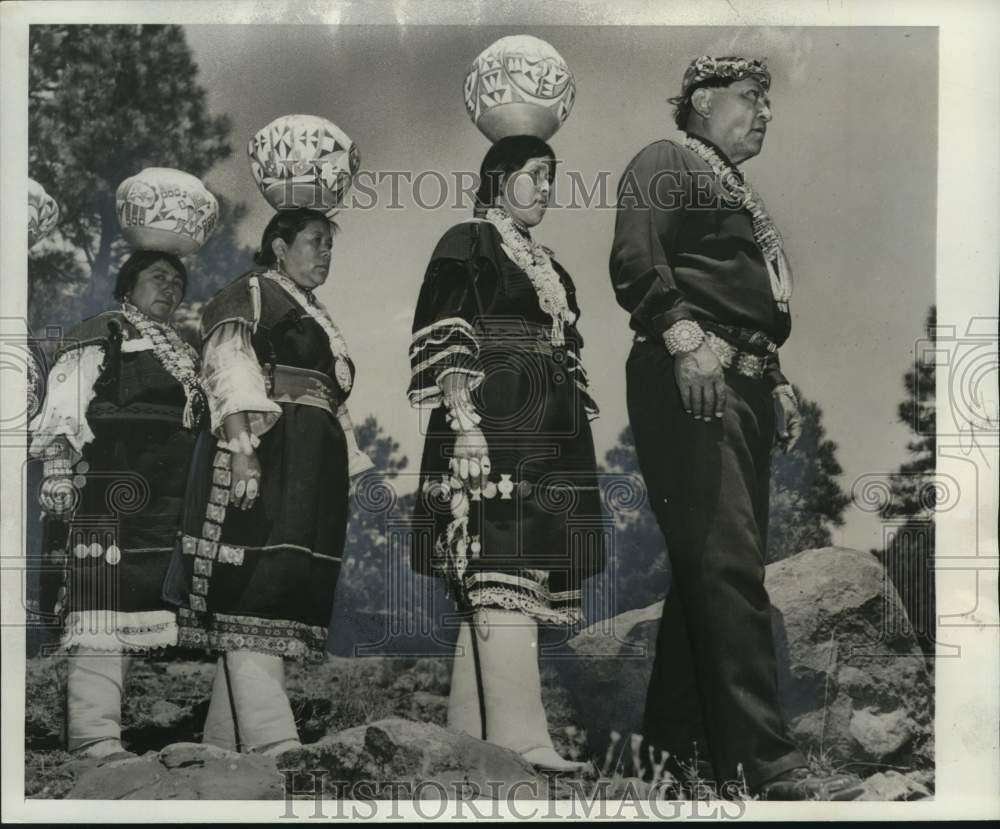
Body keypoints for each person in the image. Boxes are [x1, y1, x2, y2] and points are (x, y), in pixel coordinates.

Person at [608, 55, 863, 800]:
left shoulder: (730, 185)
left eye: (769, 102)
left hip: (741, 377)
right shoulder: (666, 159)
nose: (766, 113)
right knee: (727, 564)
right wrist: (683, 337)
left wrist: (774, 376)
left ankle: (670, 759)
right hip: (691, 368)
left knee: (705, 571)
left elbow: (747, 296)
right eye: (753, 98)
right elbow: (636, 258)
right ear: (701, 100)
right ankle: (767, 763)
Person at [408, 135, 607, 772]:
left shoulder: (551, 264)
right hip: (494, 418)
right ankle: (522, 740)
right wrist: (465, 423)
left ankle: (468, 743)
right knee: (499, 565)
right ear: (498, 180)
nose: (547, 189)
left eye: (553, 178)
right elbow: (446, 332)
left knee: (506, 582)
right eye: (535, 175)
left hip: (548, 428)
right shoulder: (468, 240)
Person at [163, 207, 370, 756]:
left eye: (331, 243)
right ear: (278, 246)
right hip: (267, 449)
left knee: (282, 587)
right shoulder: (251, 292)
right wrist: (242, 453)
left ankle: (222, 744)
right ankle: (273, 744)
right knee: (256, 586)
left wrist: (351, 467)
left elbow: (330, 399)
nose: (326, 252)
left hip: (309, 463)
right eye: (315, 240)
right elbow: (228, 366)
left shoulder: (315, 313)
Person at [29, 250, 204, 759]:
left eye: (177, 281)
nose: (170, 288)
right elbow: (65, 402)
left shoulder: (184, 349)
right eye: (157, 278)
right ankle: (92, 737)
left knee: (141, 606)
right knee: (100, 602)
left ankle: (116, 735)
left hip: (168, 499)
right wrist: (59, 473)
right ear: (129, 284)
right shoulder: (102, 330)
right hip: (110, 486)